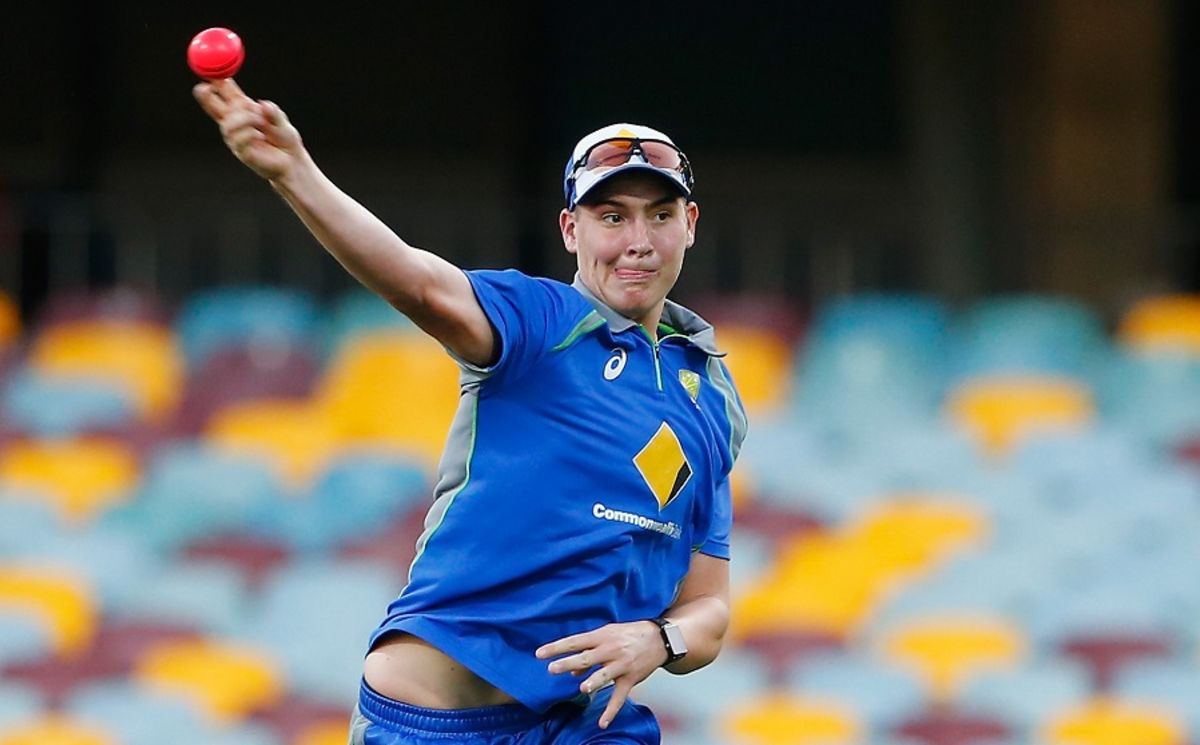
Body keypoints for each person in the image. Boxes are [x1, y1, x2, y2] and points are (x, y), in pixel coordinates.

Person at [194, 79, 747, 745]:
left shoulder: (711, 397)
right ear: (571, 230)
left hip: (579, 723)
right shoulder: (541, 320)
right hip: (435, 721)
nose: (639, 240)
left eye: (660, 215)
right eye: (612, 216)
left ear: (690, 224)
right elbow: (419, 284)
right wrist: (294, 172)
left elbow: (708, 606)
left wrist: (660, 639)